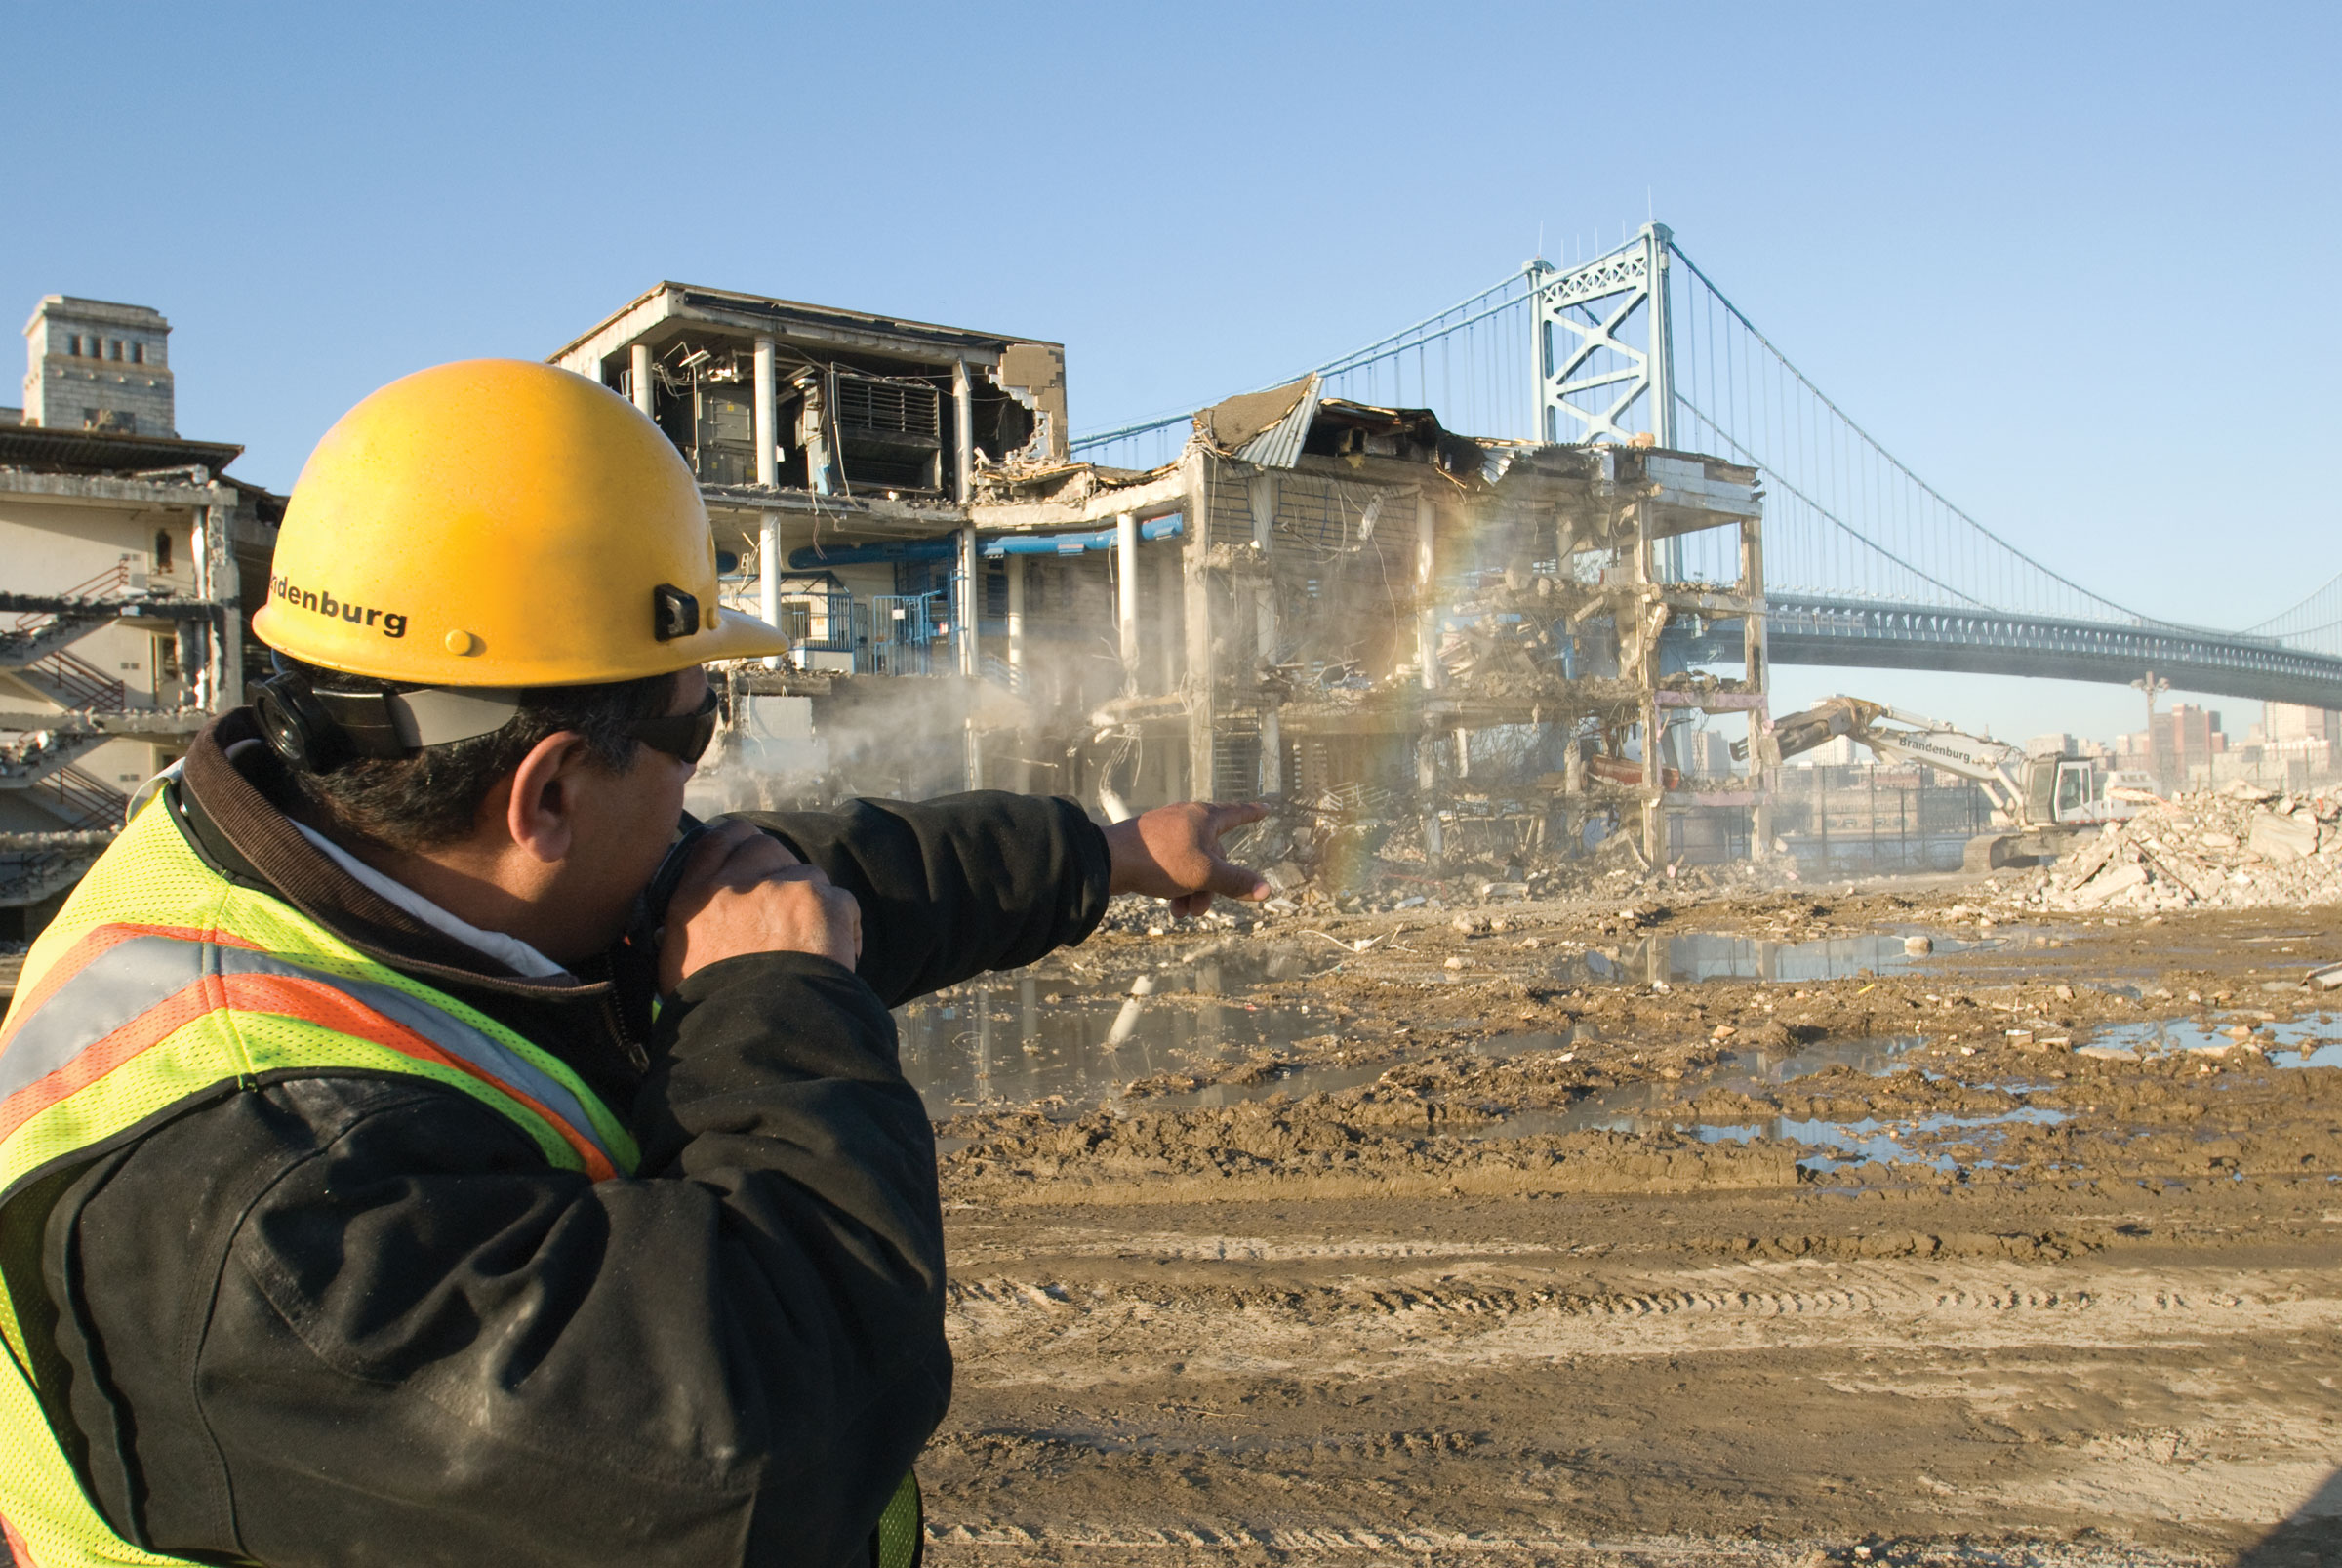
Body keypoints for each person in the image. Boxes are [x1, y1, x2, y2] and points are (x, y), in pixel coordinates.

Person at [0, 360, 1267, 1568]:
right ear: (548, 795)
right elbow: (778, 1435)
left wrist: (1106, 856)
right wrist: (775, 1007)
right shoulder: (274, 1228)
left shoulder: (349, 852)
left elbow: (781, 885)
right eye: (694, 731)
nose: (700, 789)